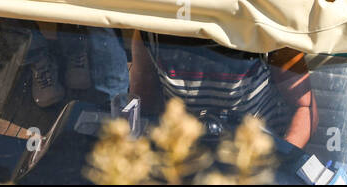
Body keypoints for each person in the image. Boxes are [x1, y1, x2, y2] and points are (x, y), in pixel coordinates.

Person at [129, 31, 315, 147]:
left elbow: (305, 109)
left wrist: (282, 162)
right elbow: (146, 111)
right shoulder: (151, 34)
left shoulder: (270, 34)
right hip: (189, 157)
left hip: (257, 158)